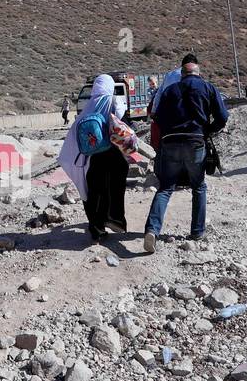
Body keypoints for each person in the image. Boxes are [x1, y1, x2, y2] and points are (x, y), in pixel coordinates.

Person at [142, 56, 229, 253]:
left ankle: (152, 230)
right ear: (198, 73)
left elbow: (157, 117)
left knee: (166, 187)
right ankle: (197, 231)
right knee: (198, 186)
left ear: (182, 74)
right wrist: (208, 130)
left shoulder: (170, 90)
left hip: (171, 142)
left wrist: (169, 133)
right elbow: (223, 117)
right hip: (196, 141)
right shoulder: (208, 88)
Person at [59, 74, 131, 243]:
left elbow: (73, 140)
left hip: (91, 159)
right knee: (113, 186)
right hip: (112, 155)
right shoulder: (113, 104)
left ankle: (96, 230)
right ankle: (114, 218)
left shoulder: (87, 110)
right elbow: (124, 128)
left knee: (93, 192)